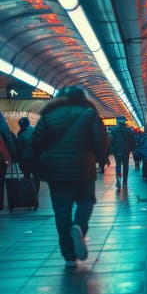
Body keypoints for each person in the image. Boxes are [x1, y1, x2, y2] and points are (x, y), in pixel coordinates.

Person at [32, 85, 109, 267]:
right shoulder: (90, 114)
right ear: (82, 97)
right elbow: (101, 140)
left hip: (55, 170)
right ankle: (79, 227)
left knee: (61, 210)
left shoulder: (48, 115)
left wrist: (43, 159)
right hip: (83, 166)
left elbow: (36, 142)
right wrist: (101, 158)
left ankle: (68, 254)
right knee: (86, 200)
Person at [109, 115, 136, 190]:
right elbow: (132, 141)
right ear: (124, 121)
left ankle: (118, 179)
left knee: (118, 165)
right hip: (126, 151)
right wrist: (131, 149)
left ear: (116, 121)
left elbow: (111, 140)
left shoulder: (113, 129)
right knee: (125, 166)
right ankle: (124, 181)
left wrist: (111, 149)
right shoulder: (128, 130)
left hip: (117, 151)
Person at [16, 116, 39, 192]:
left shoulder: (22, 134)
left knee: (26, 176)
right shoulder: (35, 130)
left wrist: (17, 158)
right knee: (36, 176)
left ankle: (28, 192)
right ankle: (35, 192)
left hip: (26, 158)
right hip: (36, 158)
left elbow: (20, 148)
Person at [0, 110, 16, 210]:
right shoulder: (3, 126)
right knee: (1, 181)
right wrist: (14, 155)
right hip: (1, 157)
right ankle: (0, 204)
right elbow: (9, 142)